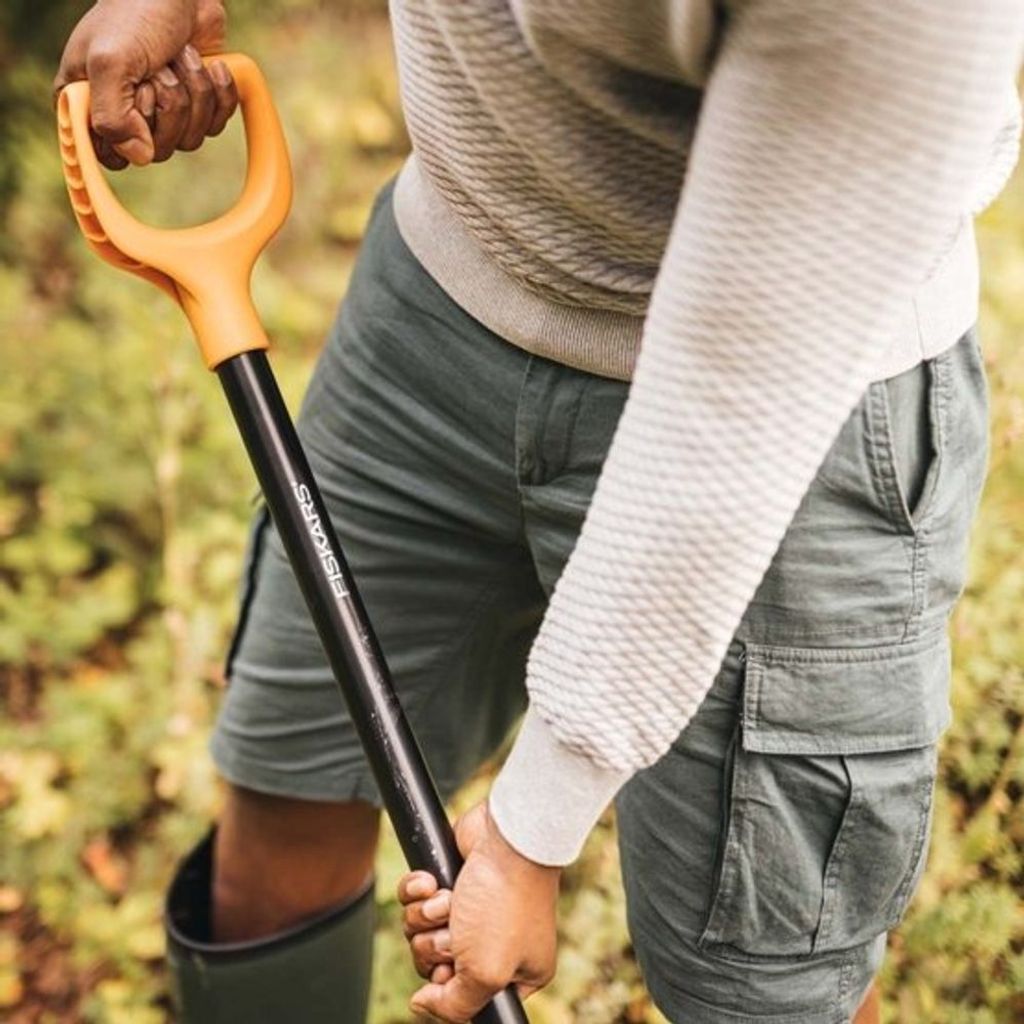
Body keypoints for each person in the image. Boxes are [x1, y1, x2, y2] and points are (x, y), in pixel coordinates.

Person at [56, 1, 1023, 1022]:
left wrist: (529, 834)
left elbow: (739, 398)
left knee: (764, 994)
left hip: (788, 406)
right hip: (442, 301)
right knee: (281, 815)